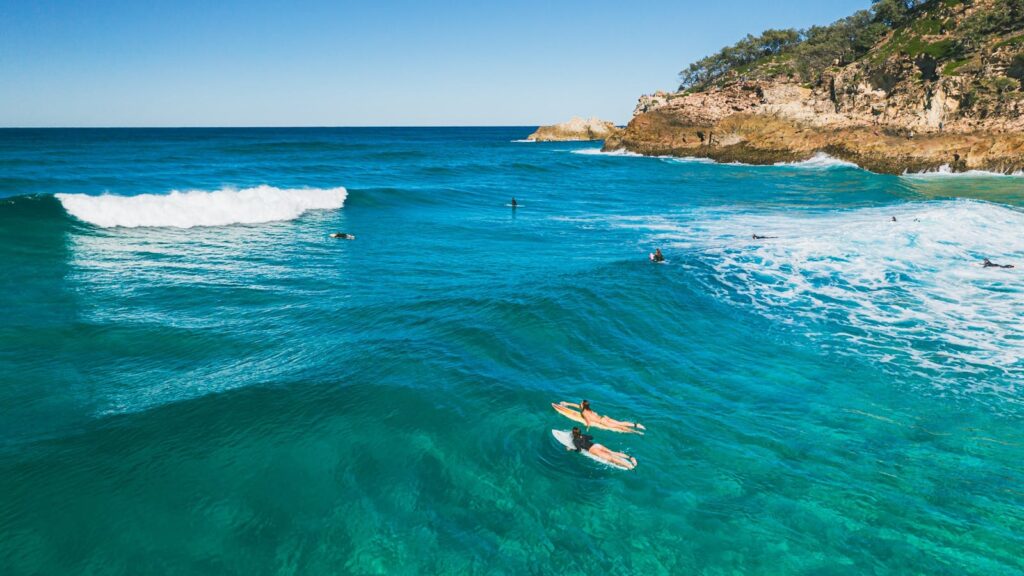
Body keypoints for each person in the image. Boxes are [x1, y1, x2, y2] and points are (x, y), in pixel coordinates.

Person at [569, 427, 637, 469]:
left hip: (593, 450)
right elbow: (591, 437)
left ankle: (628, 466)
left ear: (574, 434)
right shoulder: (583, 435)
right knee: (612, 452)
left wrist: (571, 449)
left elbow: (579, 450)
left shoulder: (575, 440)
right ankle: (630, 457)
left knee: (610, 458)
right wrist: (585, 437)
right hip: (597, 445)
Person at [565, 400, 644, 433]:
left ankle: (637, 432)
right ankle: (636, 425)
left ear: (583, 406)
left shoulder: (584, 413)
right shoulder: (588, 409)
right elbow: (576, 405)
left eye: (581, 403)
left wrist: (587, 428)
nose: (580, 403)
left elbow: (588, 421)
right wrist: (567, 404)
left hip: (602, 422)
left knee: (620, 427)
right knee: (620, 423)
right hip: (604, 417)